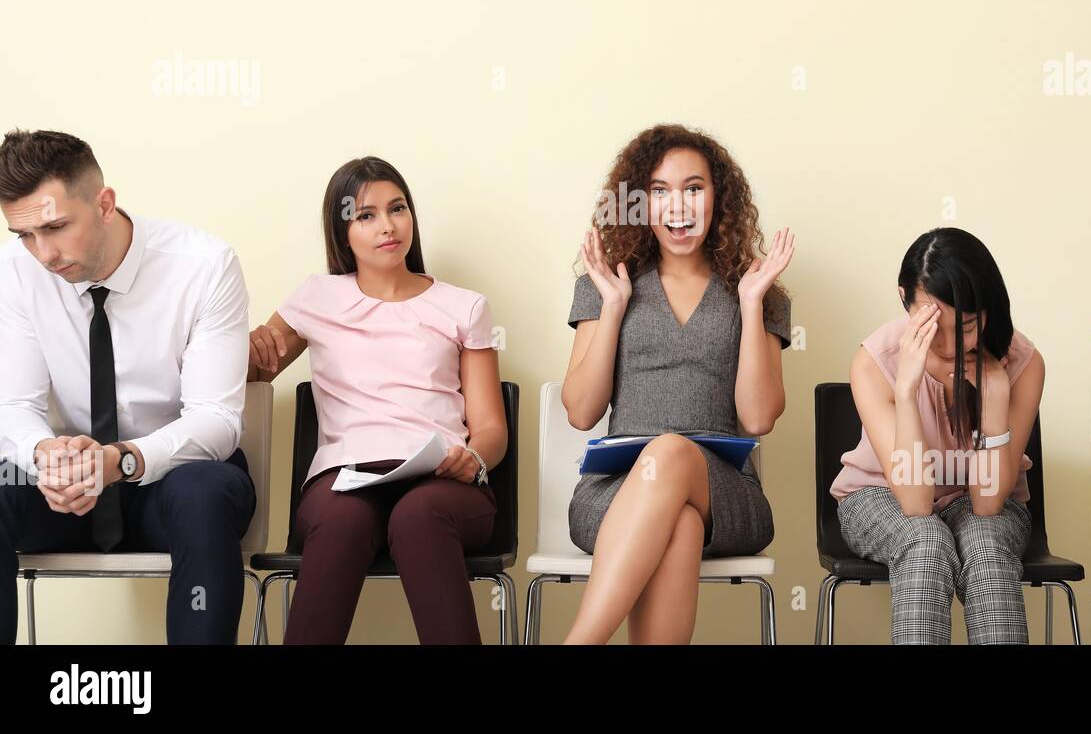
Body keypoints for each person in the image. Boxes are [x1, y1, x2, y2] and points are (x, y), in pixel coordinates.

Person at [0, 129, 256, 644]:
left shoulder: (204, 266)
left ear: (105, 204)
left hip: (171, 481)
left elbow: (217, 420)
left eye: (55, 227)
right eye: (24, 235)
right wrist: (47, 454)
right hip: (67, 489)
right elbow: (14, 405)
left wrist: (120, 460)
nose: (43, 253)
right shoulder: (17, 274)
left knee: (203, 492)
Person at [247, 156, 506, 644]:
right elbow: (252, 368)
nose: (387, 227)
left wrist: (472, 458)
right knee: (342, 521)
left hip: (440, 479)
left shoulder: (464, 306)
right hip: (344, 477)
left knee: (419, 516)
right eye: (366, 215)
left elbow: (491, 428)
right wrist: (239, 345)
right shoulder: (316, 297)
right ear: (342, 230)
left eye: (398, 209)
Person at [561, 123, 793, 644]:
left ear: (718, 198)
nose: (678, 205)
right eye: (659, 191)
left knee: (670, 455)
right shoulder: (602, 284)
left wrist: (752, 307)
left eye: (694, 188)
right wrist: (614, 308)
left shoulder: (758, 291)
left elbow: (758, 418)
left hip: (726, 494)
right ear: (638, 203)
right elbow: (580, 411)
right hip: (615, 495)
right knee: (680, 526)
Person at [832, 227, 1045, 644]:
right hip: (879, 495)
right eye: (931, 325)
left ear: (988, 312)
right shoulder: (875, 361)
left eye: (965, 327)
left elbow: (986, 504)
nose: (948, 345)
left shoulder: (1023, 363)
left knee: (985, 547)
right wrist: (907, 392)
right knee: (926, 540)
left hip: (983, 499)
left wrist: (995, 395)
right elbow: (913, 502)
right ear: (904, 300)